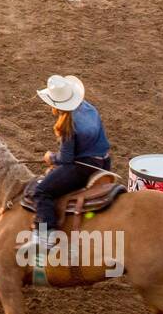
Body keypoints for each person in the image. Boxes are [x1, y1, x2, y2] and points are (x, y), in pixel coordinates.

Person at [24, 75, 112, 234]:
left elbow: (66, 159)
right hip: (104, 163)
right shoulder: (89, 108)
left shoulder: (68, 124)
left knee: (41, 191)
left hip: (83, 168)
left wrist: (51, 157)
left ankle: (46, 233)